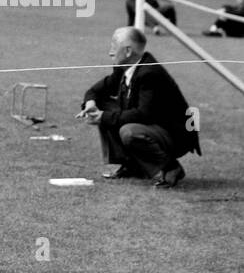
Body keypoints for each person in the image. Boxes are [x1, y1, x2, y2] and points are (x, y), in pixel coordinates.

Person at [78, 26, 200, 188]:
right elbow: (96, 91)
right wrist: (91, 103)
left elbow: (143, 114)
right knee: (104, 106)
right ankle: (132, 166)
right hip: (153, 124)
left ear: (128, 51)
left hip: (175, 134)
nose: (110, 52)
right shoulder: (125, 67)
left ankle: (171, 168)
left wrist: (103, 117)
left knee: (129, 131)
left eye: (114, 46)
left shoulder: (150, 73)